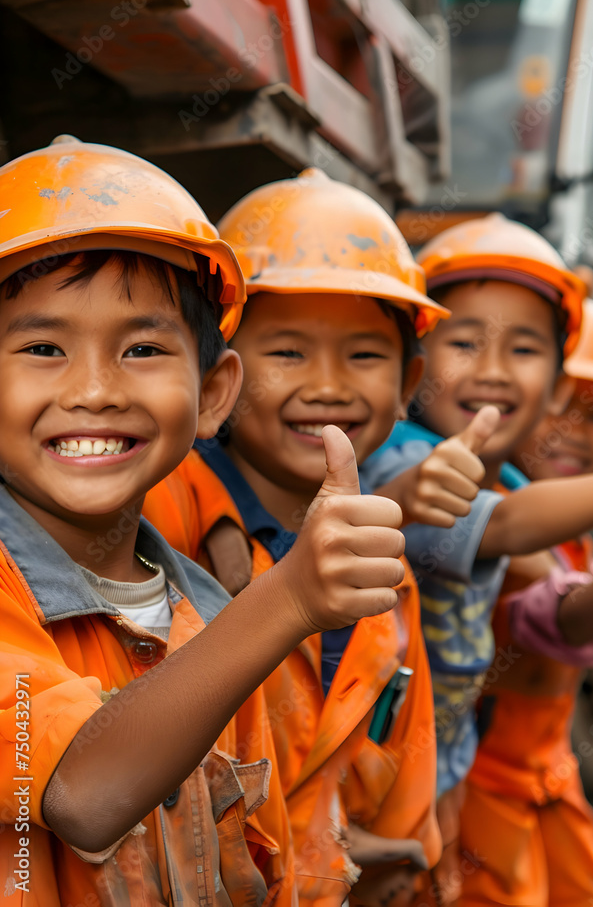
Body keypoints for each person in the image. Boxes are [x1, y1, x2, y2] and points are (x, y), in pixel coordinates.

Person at [0, 139, 408, 906]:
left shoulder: (212, 622)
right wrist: (287, 601)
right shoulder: (253, 618)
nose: (94, 390)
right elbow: (83, 797)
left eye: (144, 348)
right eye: (44, 347)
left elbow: (262, 866)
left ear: (215, 393)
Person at [143, 168, 446, 906]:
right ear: (219, 375)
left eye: (364, 356)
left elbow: (405, 773)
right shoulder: (161, 509)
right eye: (288, 353)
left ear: (408, 384)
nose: (329, 384)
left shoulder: (385, 574)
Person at [360, 216, 593, 903]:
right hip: (373, 767)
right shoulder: (402, 456)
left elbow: (564, 609)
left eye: (523, 349)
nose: (493, 369)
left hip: (444, 764)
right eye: (464, 342)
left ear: (555, 382)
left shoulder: (519, 492)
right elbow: (509, 530)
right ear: (413, 364)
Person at [455, 298, 593, 907]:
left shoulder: (566, 529)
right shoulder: (490, 515)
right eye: (565, 407)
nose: (577, 431)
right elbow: (570, 620)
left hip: (550, 779)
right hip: (483, 790)